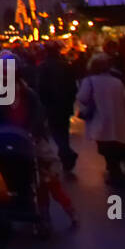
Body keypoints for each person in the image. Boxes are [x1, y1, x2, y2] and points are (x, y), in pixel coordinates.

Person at [75, 52, 125, 184]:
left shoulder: (90, 81)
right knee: (115, 146)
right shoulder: (117, 82)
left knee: (106, 148)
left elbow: (82, 98)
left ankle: (114, 172)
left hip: (100, 121)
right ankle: (115, 171)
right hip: (119, 121)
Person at [37, 41, 78, 176]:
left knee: (55, 131)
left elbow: (41, 88)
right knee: (63, 130)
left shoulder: (43, 67)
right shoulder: (66, 66)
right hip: (65, 104)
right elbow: (73, 87)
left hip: (51, 105)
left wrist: (43, 103)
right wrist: (70, 100)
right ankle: (65, 152)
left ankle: (66, 152)